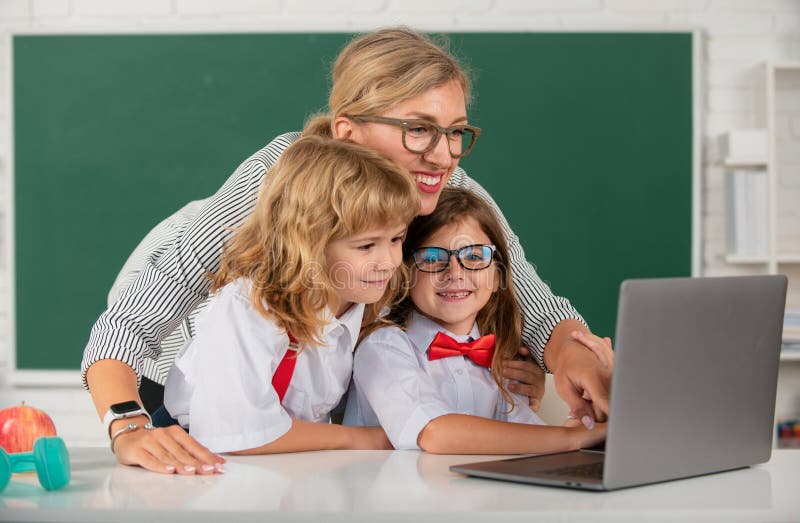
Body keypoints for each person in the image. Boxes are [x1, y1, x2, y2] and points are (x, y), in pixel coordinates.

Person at [82, 27, 611, 474]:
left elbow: (527, 291)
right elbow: (135, 318)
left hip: (317, 399)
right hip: (194, 400)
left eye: (455, 132)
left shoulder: (452, 189)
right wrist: (127, 422)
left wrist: (569, 355)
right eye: (419, 129)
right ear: (348, 132)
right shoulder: (282, 182)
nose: (444, 153)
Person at [155, 136, 417, 456]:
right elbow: (239, 434)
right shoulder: (250, 308)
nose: (389, 261)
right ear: (309, 242)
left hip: (291, 461)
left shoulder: (367, 301)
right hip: (203, 459)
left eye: (396, 239)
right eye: (366, 246)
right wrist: (365, 438)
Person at [344, 188, 611, 453]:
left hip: (473, 493)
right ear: (405, 274)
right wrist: (569, 438)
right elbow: (435, 433)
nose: (455, 272)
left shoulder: (500, 356)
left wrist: (582, 427)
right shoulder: (382, 348)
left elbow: (525, 435)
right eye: (433, 258)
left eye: (474, 256)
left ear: (498, 277)